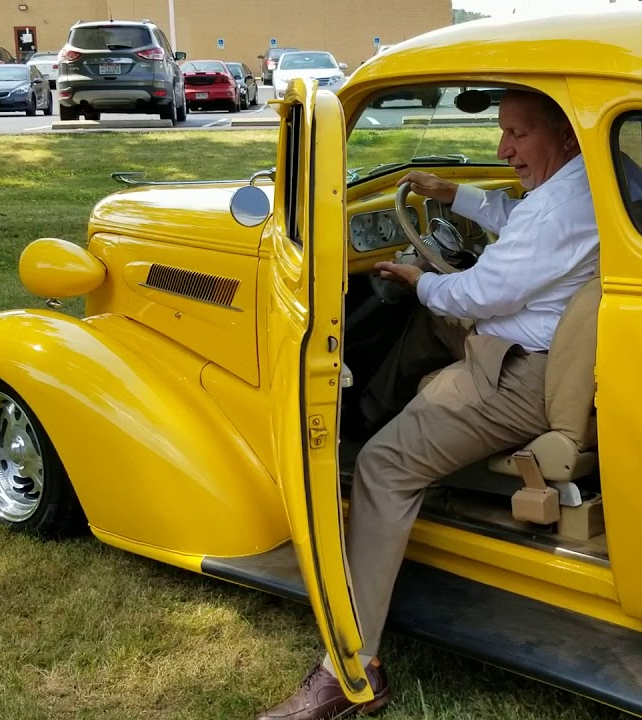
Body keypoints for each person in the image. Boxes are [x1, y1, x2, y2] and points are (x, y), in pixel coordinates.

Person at [254, 88, 601, 720]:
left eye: (519, 134)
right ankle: (365, 414)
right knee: (427, 326)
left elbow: (481, 291)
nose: (504, 149)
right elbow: (521, 221)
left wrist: (421, 280)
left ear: (569, 136)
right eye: (503, 133)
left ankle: (352, 667)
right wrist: (453, 198)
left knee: (384, 466)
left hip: (518, 375)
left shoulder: (559, 211)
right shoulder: (586, 186)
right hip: (522, 342)